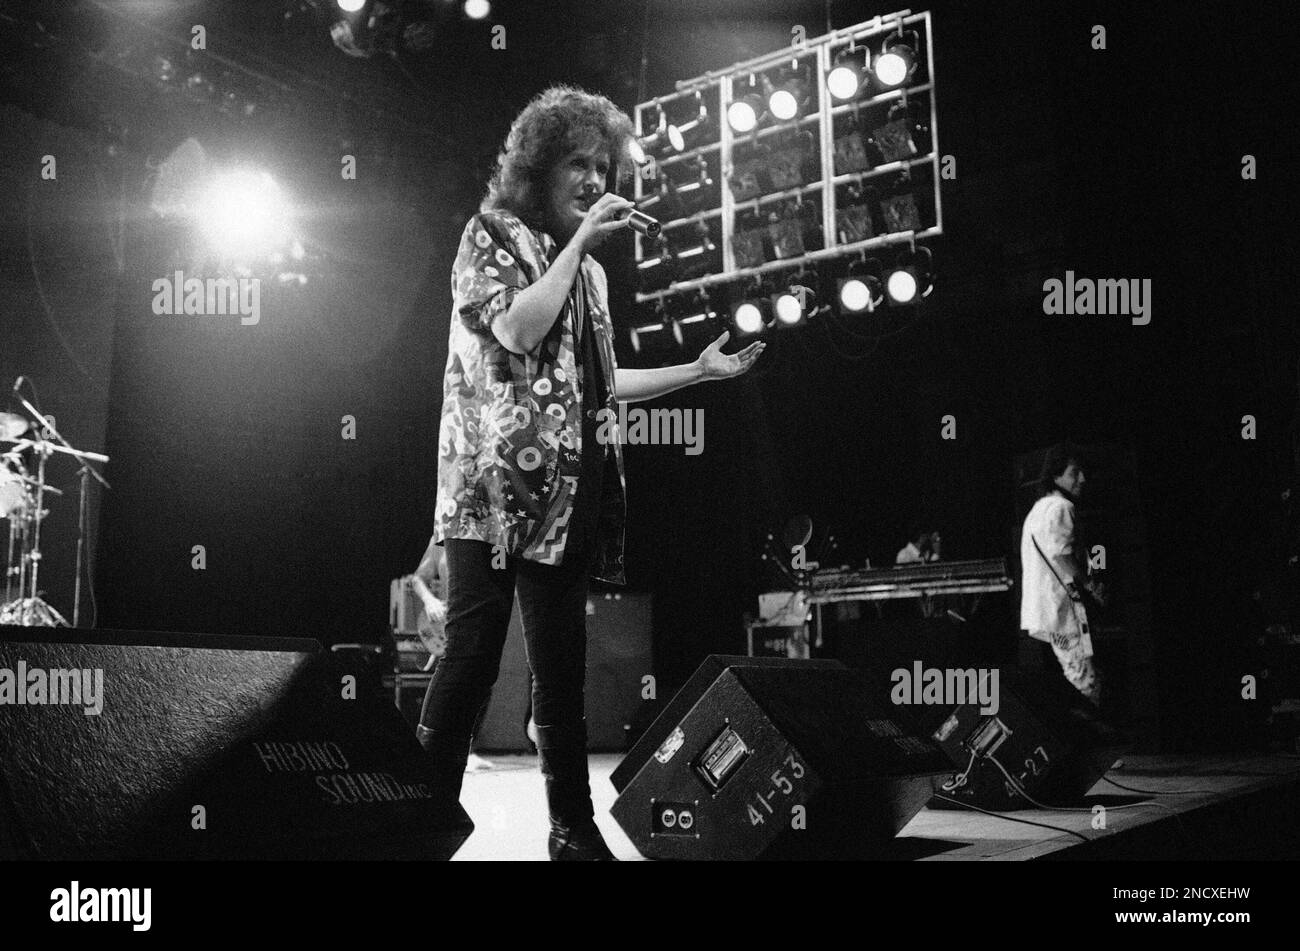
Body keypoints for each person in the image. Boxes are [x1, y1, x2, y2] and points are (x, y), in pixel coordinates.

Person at [416, 85, 764, 860]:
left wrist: (696, 371)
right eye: (579, 163)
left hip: (567, 496)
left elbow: (600, 382)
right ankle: (417, 823)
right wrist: (576, 246)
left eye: (604, 167)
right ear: (539, 167)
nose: (595, 179)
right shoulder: (490, 234)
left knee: (562, 671)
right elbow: (517, 327)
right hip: (487, 488)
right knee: (472, 655)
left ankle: (572, 830)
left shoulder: (595, 279)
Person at [1019, 443, 1105, 702]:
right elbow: (1062, 555)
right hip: (1062, 610)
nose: (1082, 479)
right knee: (1085, 677)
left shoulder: (1038, 509)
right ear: (1056, 476)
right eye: (1074, 473)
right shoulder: (1061, 507)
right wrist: (1091, 586)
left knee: (1076, 672)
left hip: (1047, 610)